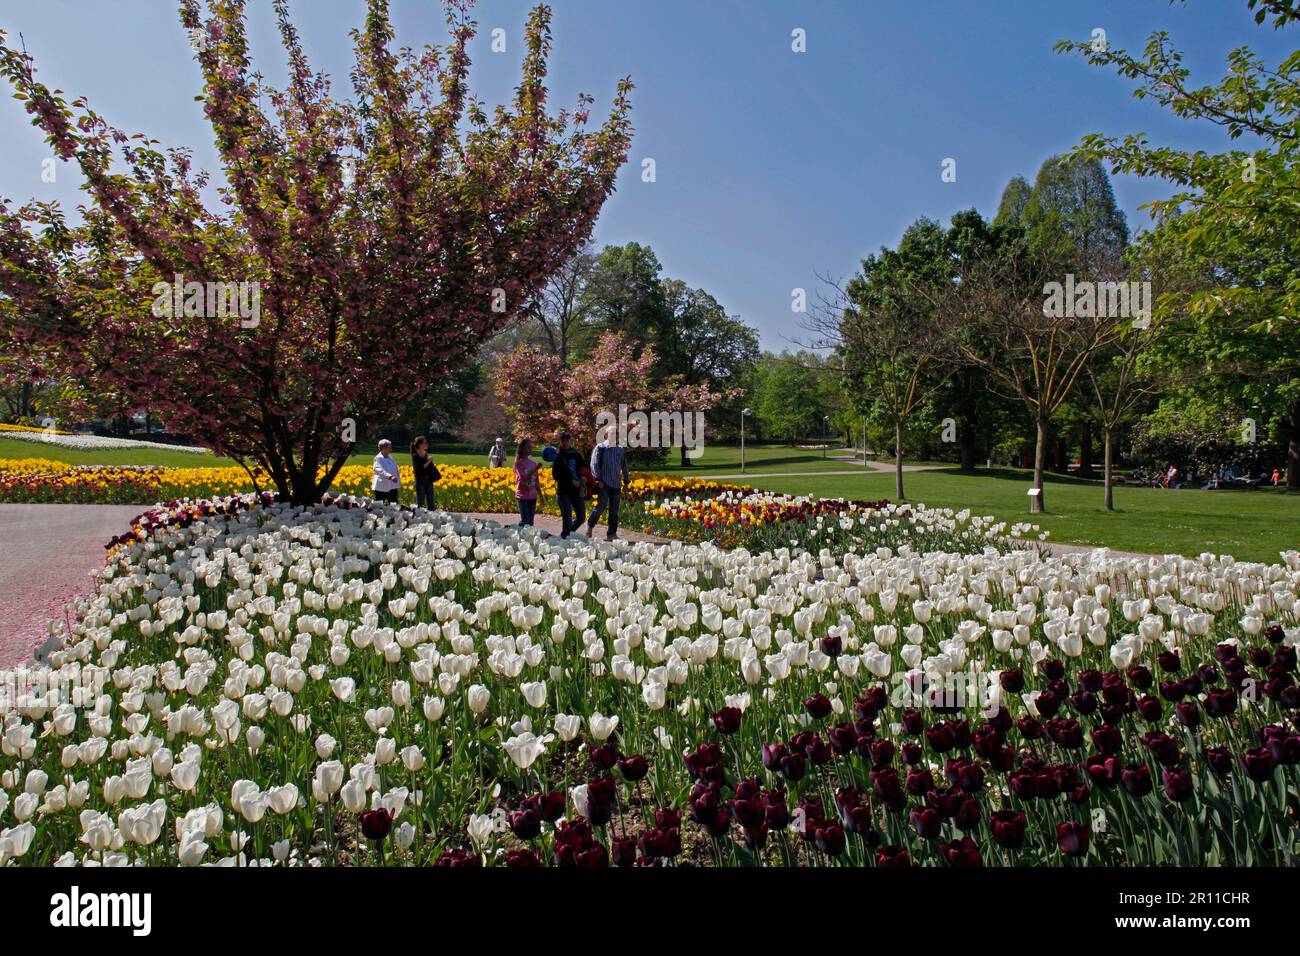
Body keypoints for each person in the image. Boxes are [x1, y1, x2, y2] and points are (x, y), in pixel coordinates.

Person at [586, 425, 629, 540]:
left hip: (616, 483)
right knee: (601, 507)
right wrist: (598, 479)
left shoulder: (620, 449)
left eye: (617, 434)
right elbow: (593, 464)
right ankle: (590, 525)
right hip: (603, 483)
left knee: (614, 510)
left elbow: (624, 465)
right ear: (606, 435)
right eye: (612, 433)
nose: (615, 436)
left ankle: (611, 534)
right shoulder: (600, 448)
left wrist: (626, 480)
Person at [551, 431, 586, 538]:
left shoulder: (576, 454)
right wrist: (571, 481)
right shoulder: (558, 457)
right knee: (567, 517)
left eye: (567, 440)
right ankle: (566, 537)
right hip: (564, 491)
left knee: (581, 517)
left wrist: (583, 478)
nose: (565, 443)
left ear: (571, 441)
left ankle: (566, 535)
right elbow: (556, 475)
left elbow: (583, 469)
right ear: (560, 441)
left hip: (576, 490)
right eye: (563, 441)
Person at [514, 438, 540, 527]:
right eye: (528, 447)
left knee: (531, 523)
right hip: (522, 495)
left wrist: (540, 495)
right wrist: (536, 469)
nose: (530, 449)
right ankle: (518, 534)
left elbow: (536, 481)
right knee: (525, 522)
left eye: (531, 447)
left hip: (532, 495)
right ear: (522, 449)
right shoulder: (518, 464)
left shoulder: (533, 463)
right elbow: (523, 478)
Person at [411, 435, 441, 510]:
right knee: (420, 500)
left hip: (429, 479)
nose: (427, 444)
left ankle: (432, 515)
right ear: (420, 445)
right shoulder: (415, 455)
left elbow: (429, 468)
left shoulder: (425, 454)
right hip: (420, 480)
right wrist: (428, 461)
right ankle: (417, 516)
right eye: (425, 443)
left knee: (431, 499)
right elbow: (419, 469)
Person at [371, 439, 401, 503]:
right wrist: (390, 476)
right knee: (380, 507)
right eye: (389, 447)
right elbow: (379, 470)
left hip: (392, 486)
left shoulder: (390, 458)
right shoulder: (378, 458)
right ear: (384, 448)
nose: (391, 449)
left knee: (394, 506)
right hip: (381, 487)